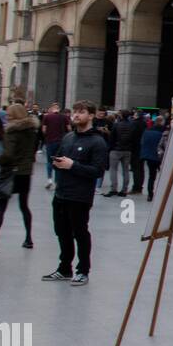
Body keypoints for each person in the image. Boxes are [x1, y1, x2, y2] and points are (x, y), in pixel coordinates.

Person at [41, 100, 109, 284]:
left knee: (80, 233)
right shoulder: (68, 137)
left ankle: (83, 270)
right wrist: (58, 163)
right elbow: (62, 158)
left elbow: (97, 171)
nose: (76, 115)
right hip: (61, 193)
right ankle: (64, 268)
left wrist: (73, 165)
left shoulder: (97, 142)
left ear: (91, 115)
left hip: (79, 196)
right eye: (75, 112)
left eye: (82, 112)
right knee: (61, 232)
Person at [0, 103, 38, 253]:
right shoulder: (31, 131)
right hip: (25, 172)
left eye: (8, 115)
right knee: (24, 205)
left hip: (10, 172)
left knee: (1, 206)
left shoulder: (11, 132)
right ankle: (28, 238)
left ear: (14, 116)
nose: (6, 117)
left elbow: (8, 154)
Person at [105, 109, 135, 197]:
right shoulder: (132, 125)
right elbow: (134, 138)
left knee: (113, 169)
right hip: (127, 150)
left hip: (116, 149)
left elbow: (112, 138)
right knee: (125, 170)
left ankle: (113, 189)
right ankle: (124, 190)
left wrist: (110, 148)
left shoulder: (116, 125)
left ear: (121, 115)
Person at [40, 103, 69, 190]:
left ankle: (49, 180)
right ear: (59, 109)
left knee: (49, 161)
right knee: (59, 161)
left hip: (50, 141)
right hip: (61, 142)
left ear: (52, 109)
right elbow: (69, 128)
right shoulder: (64, 117)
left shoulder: (47, 117)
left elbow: (44, 130)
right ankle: (57, 182)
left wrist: (48, 134)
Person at [140, 117, 163, 201]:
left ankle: (150, 194)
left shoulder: (147, 131)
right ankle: (163, 193)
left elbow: (142, 142)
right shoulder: (163, 132)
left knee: (151, 176)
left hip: (150, 157)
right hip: (160, 156)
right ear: (161, 122)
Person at [128, 110, 147, 193]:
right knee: (141, 168)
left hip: (135, 148)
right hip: (142, 148)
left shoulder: (134, 123)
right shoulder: (144, 123)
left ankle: (136, 187)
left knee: (135, 169)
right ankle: (140, 186)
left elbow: (131, 135)